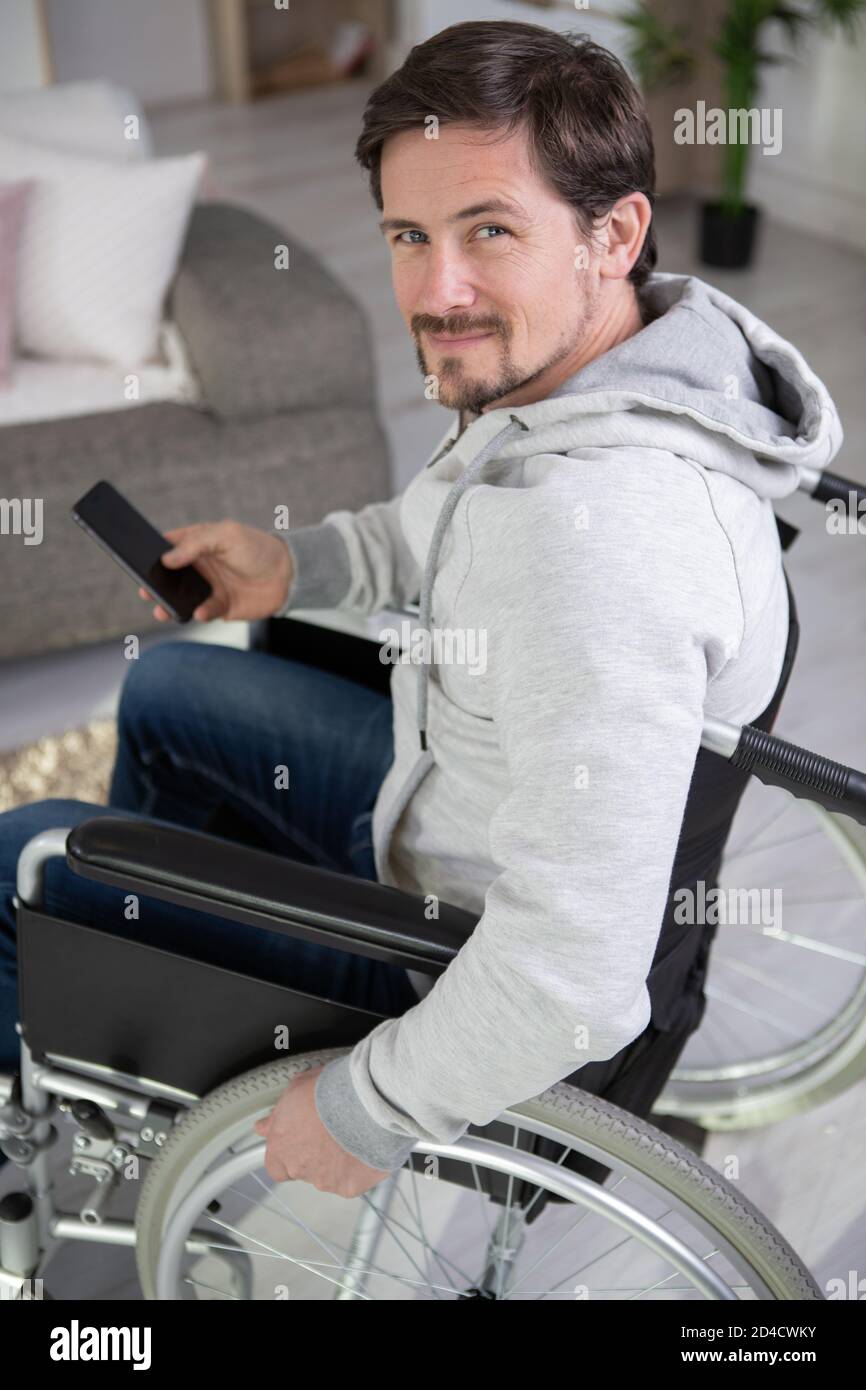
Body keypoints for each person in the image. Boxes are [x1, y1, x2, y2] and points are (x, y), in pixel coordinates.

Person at [0, 22, 841, 1198]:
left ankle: (128, 1058)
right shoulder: (622, 361)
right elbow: (440, 532)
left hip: (443, 957)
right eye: (410, 235)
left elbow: (568, 973)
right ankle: (152, 1029)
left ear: (615, 233)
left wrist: (362, 1106)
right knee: (172, 684)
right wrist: (297, 565)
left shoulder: (595, 541)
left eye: (488, 230)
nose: (436, 293)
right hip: (443, 795)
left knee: (20, 855)